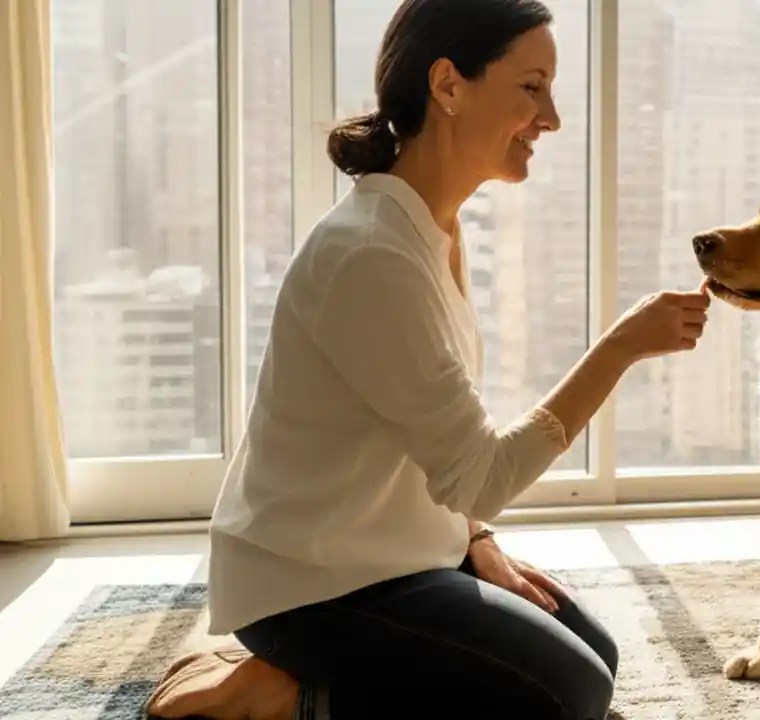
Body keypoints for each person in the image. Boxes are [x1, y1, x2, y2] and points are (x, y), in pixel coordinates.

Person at [144, 1, 710, 718]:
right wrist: (620, 348)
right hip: (312, 584)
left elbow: (434, 444)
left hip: (395, 555)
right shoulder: (371, 255)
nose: (553, 119)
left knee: (596, 655)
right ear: (448, 85)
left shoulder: (428, 230)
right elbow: (482, 475)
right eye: (531, 88)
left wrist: (473, 540)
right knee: (568, 693)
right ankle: (286, 693)